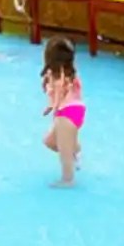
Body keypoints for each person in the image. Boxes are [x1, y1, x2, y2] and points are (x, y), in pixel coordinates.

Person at [41, 37, 83, 188]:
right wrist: (50, 106)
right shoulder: (58, 74)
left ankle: (68, 179)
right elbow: (54, 96)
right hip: (75, 110)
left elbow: (59, 94)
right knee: (50, 141)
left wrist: (55, 106)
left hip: (67, 113)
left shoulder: (65, 75)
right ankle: (76, 150)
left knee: (64, 152)